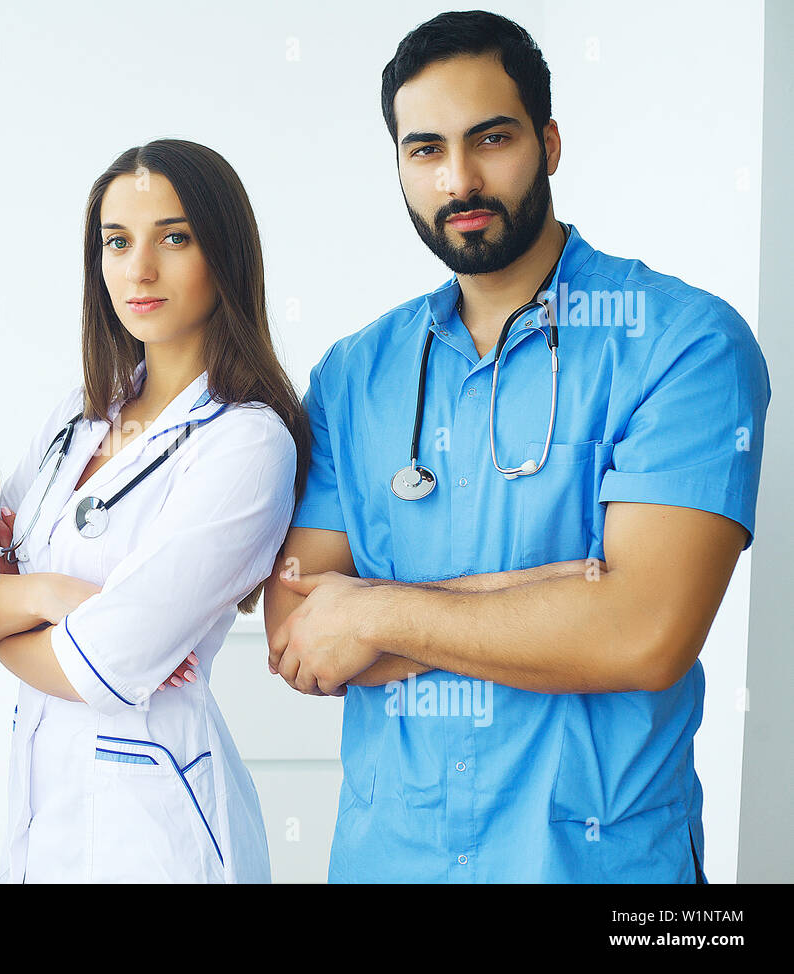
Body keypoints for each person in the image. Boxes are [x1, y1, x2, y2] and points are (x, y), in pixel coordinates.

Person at [263, 10, 769, 883]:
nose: (459, 179)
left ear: (550, 141)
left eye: (490, 138)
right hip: (392, 862)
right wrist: (554, 593)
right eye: (424, 150)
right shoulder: (353, 377)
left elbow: (644, 633)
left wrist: (375, 610)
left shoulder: (683, 343)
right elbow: (299, 636)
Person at [0, 139, 307, 883]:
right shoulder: (81, 416)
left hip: (157, 830)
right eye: (117, 242)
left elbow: (99, 665)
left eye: (174, 237)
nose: (140, 268)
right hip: (45, 803)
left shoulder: (247, 444)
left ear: (223, 252)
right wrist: (42, 597)